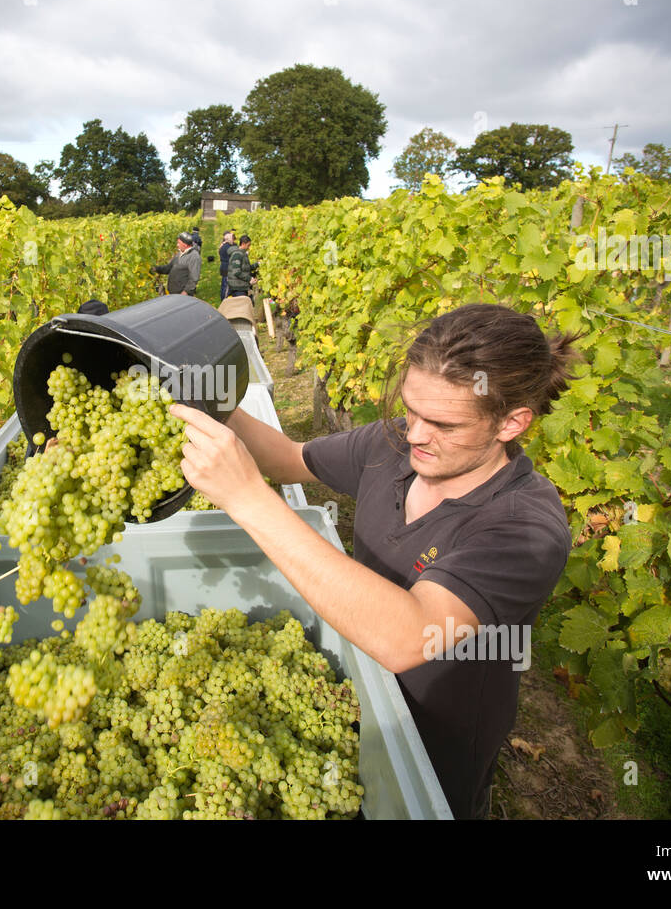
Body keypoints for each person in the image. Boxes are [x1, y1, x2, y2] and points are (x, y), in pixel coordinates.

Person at [167, 303, 581, 819]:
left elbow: (411, 636)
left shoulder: (526, 528)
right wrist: (211, 402)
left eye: (443, 424)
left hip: (434, 743)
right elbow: (288, 459)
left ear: (512, 423)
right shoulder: (391, 446)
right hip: (357, 697)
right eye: (410, 409)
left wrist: (248, 499)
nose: (414, 434)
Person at [151, 232, 200, 296]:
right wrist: (156, 269)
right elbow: (168, 268)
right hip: (173, 292)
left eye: (179, 243)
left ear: (185, 244)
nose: (177, 245)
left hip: (182, 294)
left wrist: (186, 292)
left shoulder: (194, 256)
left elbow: (194, 278)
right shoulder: (179, 253)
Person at [218, 229, 237, 300]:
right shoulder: (227, 247)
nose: (233, 240)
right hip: (227, 268)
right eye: (232, 238)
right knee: (226, 286)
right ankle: (224, 300)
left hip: (224, 267)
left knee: (224, 284)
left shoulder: (223, 246)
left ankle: (223, 298)